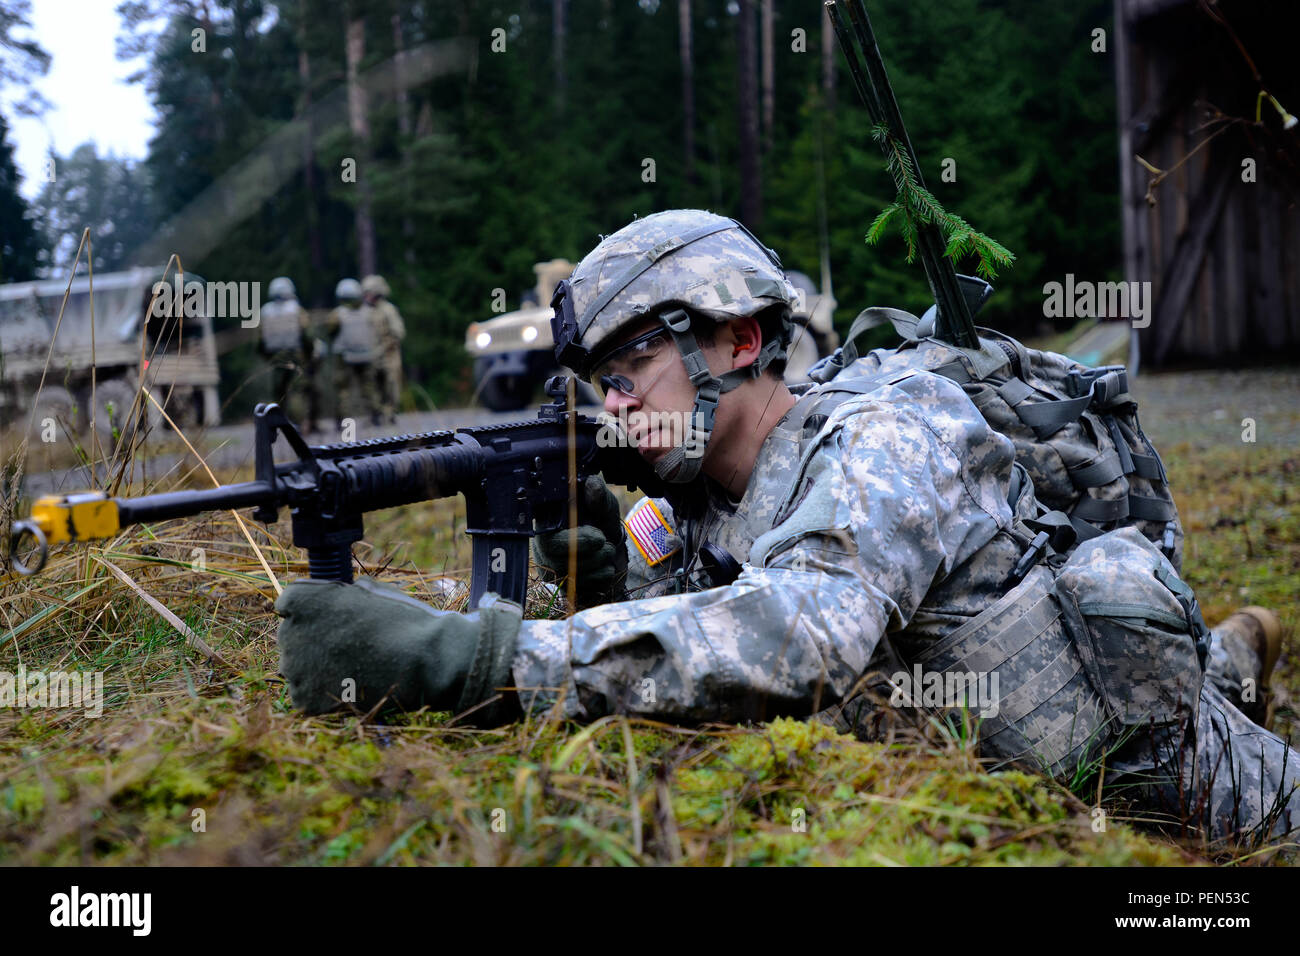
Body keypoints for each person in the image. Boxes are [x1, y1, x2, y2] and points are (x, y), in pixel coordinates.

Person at [276, 209, 1297, 845]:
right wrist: (590, 572)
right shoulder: (694, 498)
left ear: (740, 338)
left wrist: (477, 662)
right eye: (600, 383)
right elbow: (683, 642)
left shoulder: (885, 431)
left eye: (631, 371)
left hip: (1177, 786)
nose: (613, 404)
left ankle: (1223, 671)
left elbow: (802, 634)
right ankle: (1232, 651)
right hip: (1002, 774)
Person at [259, 276, 320, 432]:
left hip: (276, 357)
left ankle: (277, 424)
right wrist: (309, 354)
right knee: (297, 390)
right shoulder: (297, 310)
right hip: (296, 355)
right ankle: (297, 424)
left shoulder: (265, 312)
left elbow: (260, 340)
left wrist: (267, 357)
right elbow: (308, 335)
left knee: (279, 391)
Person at [325, 277, 381, 427]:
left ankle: (343, 421)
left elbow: (329, 332)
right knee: (368, 388)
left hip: (344, 356)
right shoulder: (370, 312)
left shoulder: (337, 314)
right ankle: (375, 416)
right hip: (367, 355)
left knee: (343, 391)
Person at [361, 274, 406, 424]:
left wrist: (387, 345)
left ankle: (390, 413)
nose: (366, 296)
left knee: (391, 385)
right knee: (372, 387)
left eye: (369, 292)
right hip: (371, 355)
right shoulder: (365, 311)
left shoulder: (388, 310)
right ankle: (375, 414)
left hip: (389, 355)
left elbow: (399, 332)